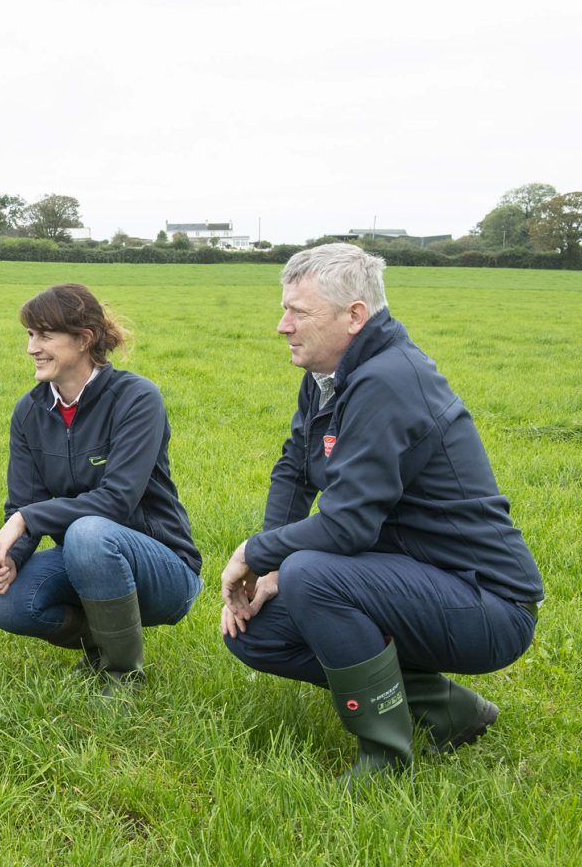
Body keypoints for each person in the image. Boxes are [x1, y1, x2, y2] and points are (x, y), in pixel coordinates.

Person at [220, 244, 542, 779]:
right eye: (285, 309)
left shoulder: (388, 380)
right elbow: (295, 470)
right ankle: (450, 711)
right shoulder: (331, 375)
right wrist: (269, 568)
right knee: (257, 633)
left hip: (488, 603)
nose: (283, 325)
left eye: (299, 312)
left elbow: (347, 526)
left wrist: (256, 553)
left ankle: (384, 756)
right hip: (415, 577)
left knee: (311, 575)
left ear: (355, 316)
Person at [0, 284, 202, 696]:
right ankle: (104, 642)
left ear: (83, 340)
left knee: (89, 531)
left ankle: (123, 676)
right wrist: (12, 557)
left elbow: (117, 501)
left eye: (44, 335)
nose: (32, 347)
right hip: (84, 561)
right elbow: (24, 502)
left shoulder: (136, 398)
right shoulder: (30, 411)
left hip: (163, 568)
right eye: (29, 335)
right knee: (4, 604)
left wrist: (25, 519)